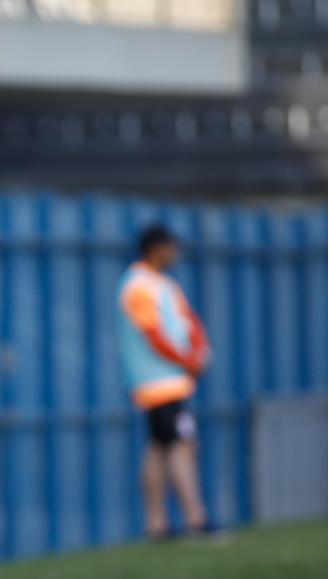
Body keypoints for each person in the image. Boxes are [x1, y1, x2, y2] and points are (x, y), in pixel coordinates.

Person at [116, 224, 210, 539]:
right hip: (157, 382)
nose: (175, 253)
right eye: (171, 247)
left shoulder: (163, 283)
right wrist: (188, 360)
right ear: (156, 249)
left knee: (159, 447)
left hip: (170, 380)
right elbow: (155, 334)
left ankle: (156, 524)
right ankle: (195, 519)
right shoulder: (138, 285)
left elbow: (189, 320)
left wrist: (199, 350)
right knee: (182, 445)